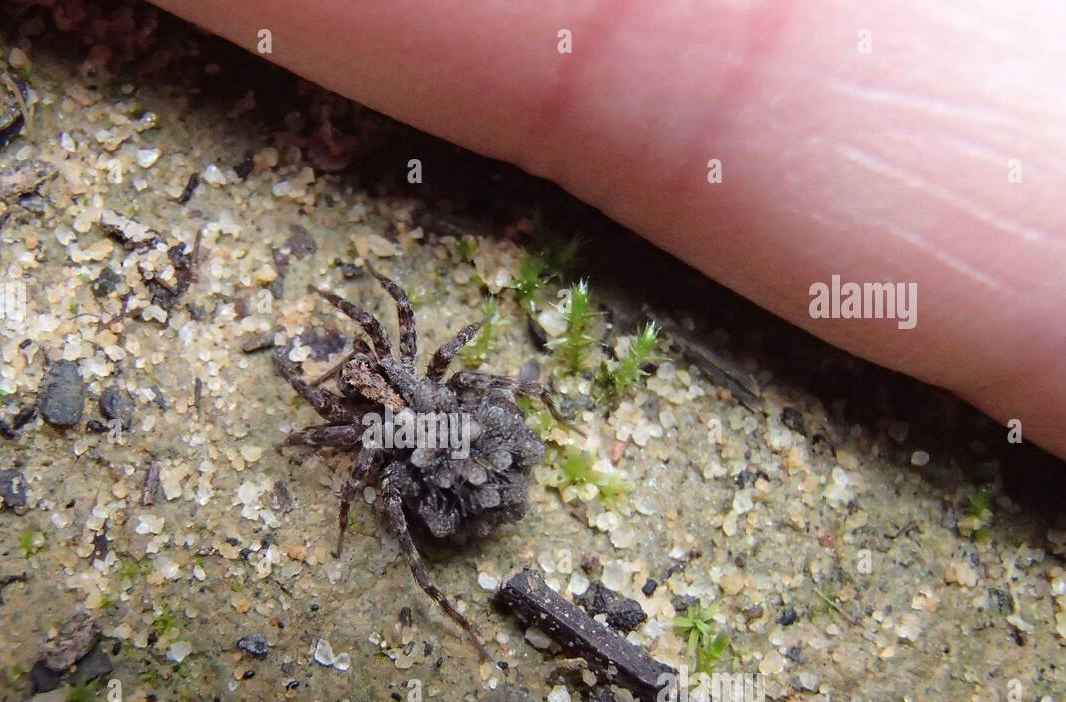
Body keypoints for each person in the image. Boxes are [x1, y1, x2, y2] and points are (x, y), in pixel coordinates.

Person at [156, 0, 1066, 458]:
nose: (363, 369)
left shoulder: (408, 378)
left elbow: (412, 329)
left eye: (366, 366)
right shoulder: (382, 419)